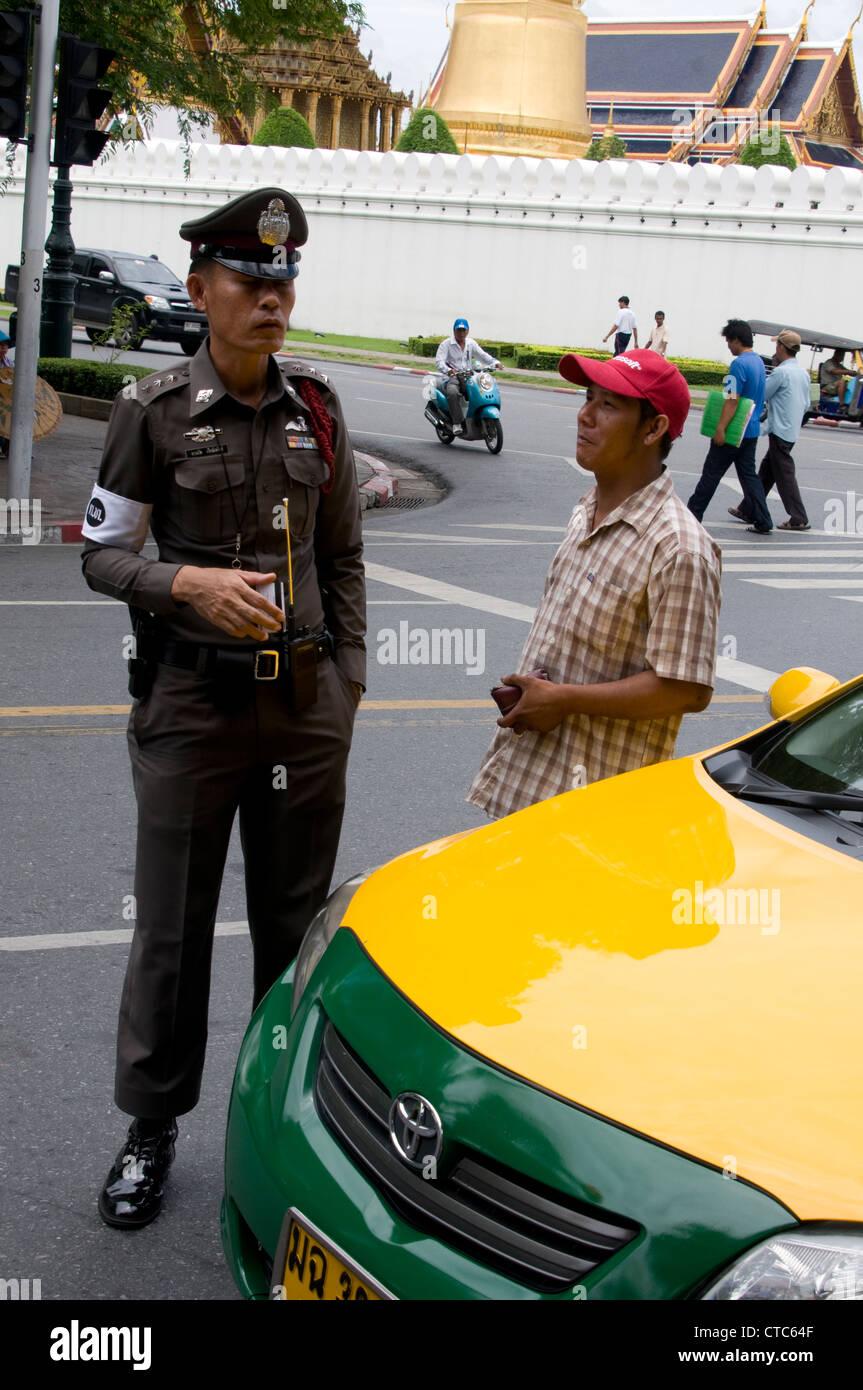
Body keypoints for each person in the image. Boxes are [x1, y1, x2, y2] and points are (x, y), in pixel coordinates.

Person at [82, 187, 366, 1229]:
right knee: (171, 929)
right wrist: (183, 584)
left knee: (293, 934)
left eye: (283, 281)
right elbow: (102, 554)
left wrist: (346, 688)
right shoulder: (149, 408)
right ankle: (150, 1131)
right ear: (200, 289)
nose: (271, 299)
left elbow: (342, 561)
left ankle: (276, 1124)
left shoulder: (318, 408)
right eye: (250, 281)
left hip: (301, 712)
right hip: (189, 712)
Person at [468, 349, 720, 819]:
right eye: (588, 397)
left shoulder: (679, 548)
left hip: (595, 808)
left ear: (653, 429)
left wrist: (566, 700)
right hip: (531, 780)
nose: (584, 415)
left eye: (608, 405)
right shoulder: (586, 512)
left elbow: (688, 689)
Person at [686, 318, 773, 534]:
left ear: (736, 340)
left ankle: (692, 515)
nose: (727, 346)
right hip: (751, 429)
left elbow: (732, 399)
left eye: (728, 341)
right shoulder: (759, 362)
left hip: (733, 430)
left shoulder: (739, 364)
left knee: (711, 474)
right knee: (749, 476)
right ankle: (763, 520)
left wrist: (721, 428)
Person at [729, 330, 812, 531]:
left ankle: (798, 517)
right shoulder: (803, 373)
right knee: (768, 471)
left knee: (784, 474)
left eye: (777, 346)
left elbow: (762, 393)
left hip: (779, 429)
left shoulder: (781, 372)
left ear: (781, 347)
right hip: (790, 430)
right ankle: (748, 509)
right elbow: (807, 403)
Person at [435, 318, 500, 435]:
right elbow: (439, 362)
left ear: (468, 331)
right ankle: (457, 423)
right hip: (453, 377)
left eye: (463, 330)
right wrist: (448, 370)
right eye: (458, 330)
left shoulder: (471, 344)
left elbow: (482, 355)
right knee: (452, 392)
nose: (461, 333)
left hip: (468, 376)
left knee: (478, 391)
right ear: (454, 331)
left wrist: (494, 362)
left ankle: (475, 417)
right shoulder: (446, 344)